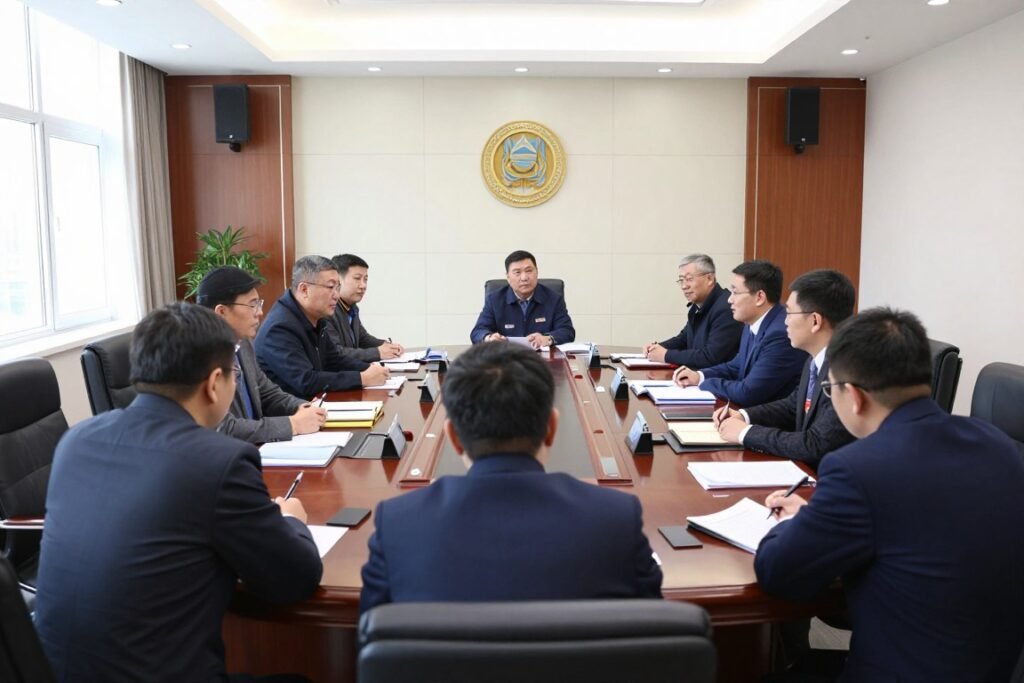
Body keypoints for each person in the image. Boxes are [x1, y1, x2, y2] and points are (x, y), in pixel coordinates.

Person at [34, 303, 323, 683]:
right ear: (214, 383)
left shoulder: (77, 440)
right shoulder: (220, 461)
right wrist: (291, 520)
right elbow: (295, 578)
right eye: (234, 374)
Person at [755, 308, 1024, 683]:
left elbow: (777, 573)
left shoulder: (856, 469)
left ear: (855, 396)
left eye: (830, 389)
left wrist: (791, 524)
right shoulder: (996, 443)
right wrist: (819, 517)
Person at [360, 342, 662, 613]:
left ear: (453, 437)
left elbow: (372, 640)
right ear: (551, 428)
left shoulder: (397, 525)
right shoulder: (616, 520)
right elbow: (652, 635)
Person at [713, 269, 856, 470]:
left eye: (789, 313)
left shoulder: (847, 371)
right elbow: (793, 405)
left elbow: (815, 444)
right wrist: (744, 415)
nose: (785, 321)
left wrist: (745, 433)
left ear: (815, 321)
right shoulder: (815, 359)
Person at [197, 266, 327, 443]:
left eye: (259, 304)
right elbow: (223, 428)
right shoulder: (198, 357)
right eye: (252, 305)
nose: (259, 312)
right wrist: (293, 425)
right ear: (221, 312)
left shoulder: (242, 343)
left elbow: (266, 392)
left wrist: (304, 407)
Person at [673, 259, 806, 405]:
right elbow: (736, 366)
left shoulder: (780, 335)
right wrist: (699, 376)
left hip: (768, 416)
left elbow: (748, 392)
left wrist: (703, 383)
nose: (729, 300)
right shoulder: (752, 322)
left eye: (735, 292)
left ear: (759, 297)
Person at [255, 255, 390, 398]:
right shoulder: (279, 328)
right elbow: (306, 381)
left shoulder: (316, 317)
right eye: (331, 287)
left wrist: (371, 369)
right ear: (304, 290)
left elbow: (334, 360)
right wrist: (361, 378)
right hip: (294, 408)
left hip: (316, 403)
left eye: (338, 287)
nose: (336, 295)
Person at [643, 253, 743, 368]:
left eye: (689, 279)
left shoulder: (727, 308)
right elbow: (683, 340)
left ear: (709, 279)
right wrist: (657, 347)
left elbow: (710, 357)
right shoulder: (698, 306)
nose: (684, 286)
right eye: (681, 280)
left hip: (716, 378)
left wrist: (666, 355)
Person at [469, 250, 575, 348]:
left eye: (529, 271)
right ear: (508, 277)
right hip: (506, 358)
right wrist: (489, 338)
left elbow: (567, 331)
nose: (524, 278)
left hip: (543, 359)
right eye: (517, 272)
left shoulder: (554, 299)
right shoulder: (494, 300)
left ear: (537, 272)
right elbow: (478, 332)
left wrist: (547, 338)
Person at [325, 253, 405, 362]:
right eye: (357, 278)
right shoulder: (326, 310)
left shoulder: (352, 307)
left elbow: (362, 338)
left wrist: (387, 345)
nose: (363, 285)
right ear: (337, 280)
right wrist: (378, 353)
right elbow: (335, 352)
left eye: (365, 279)